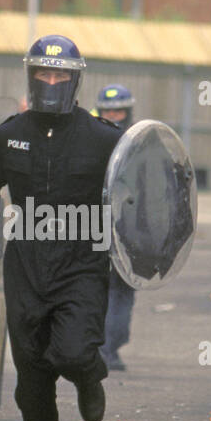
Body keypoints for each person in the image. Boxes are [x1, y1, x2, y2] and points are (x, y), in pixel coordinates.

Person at [0, 36, 122, 421]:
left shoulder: (105, 139)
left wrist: (143, 249)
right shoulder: (7, 136)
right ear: (32, 78)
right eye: (44, 75)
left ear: (75, 80)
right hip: (26, 266)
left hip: (81, 265)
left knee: (69, 352)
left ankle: (89, 373)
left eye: (61, 76)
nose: (52, 83)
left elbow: (139, 191)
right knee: (31, 381)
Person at [94, 83, 135, 371]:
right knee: (99, 291)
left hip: (130, 230)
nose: (113, 116)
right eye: (108, 110)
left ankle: (113, 346)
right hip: (94, 226)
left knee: (123, 293)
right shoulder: (91, 139)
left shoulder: (139, 141)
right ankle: (101, 348)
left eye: (118, 110)